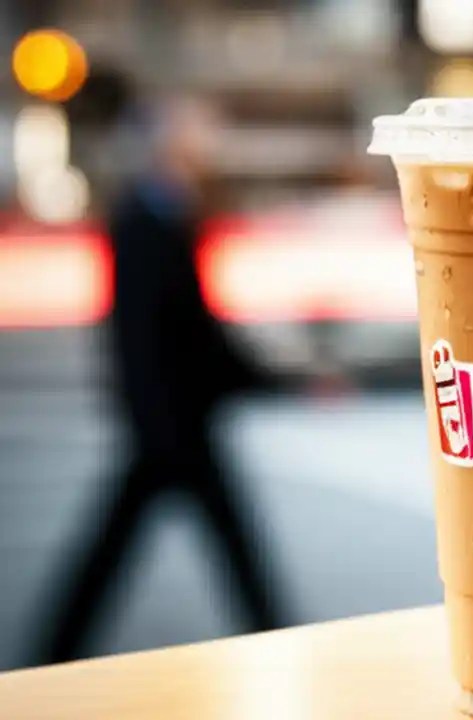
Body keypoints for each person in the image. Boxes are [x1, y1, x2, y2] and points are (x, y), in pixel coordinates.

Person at [33, 96, 286, 664]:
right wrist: (154, 419)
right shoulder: (144, 220)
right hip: (170, 425)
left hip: (176, 422)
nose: (209, 143)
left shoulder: (170, 213)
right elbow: (145, 335)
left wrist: (268, 378)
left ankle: (53, 650)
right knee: (226, 551)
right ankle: (275, 636)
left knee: (132, 552)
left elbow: (197, 331)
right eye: (199, 131)